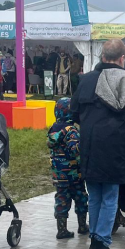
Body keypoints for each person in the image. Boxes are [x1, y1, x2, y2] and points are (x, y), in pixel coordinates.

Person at [71, 39, 125, 249]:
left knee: (94, 194)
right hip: (115, 145)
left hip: (89, 145)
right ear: (122, 58)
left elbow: (74, 110)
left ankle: (95, 238)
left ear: (102, 56)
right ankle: (100, 244)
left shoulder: (85, 81)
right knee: (109, 196)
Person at [48, 98, 89, 240]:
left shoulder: (53, 129)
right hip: (73, 174)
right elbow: (75, 151)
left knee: (61, 200)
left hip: (59, 175)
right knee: (81, 198)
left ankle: (62, 229)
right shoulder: (71, 131)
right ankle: (83, 226)